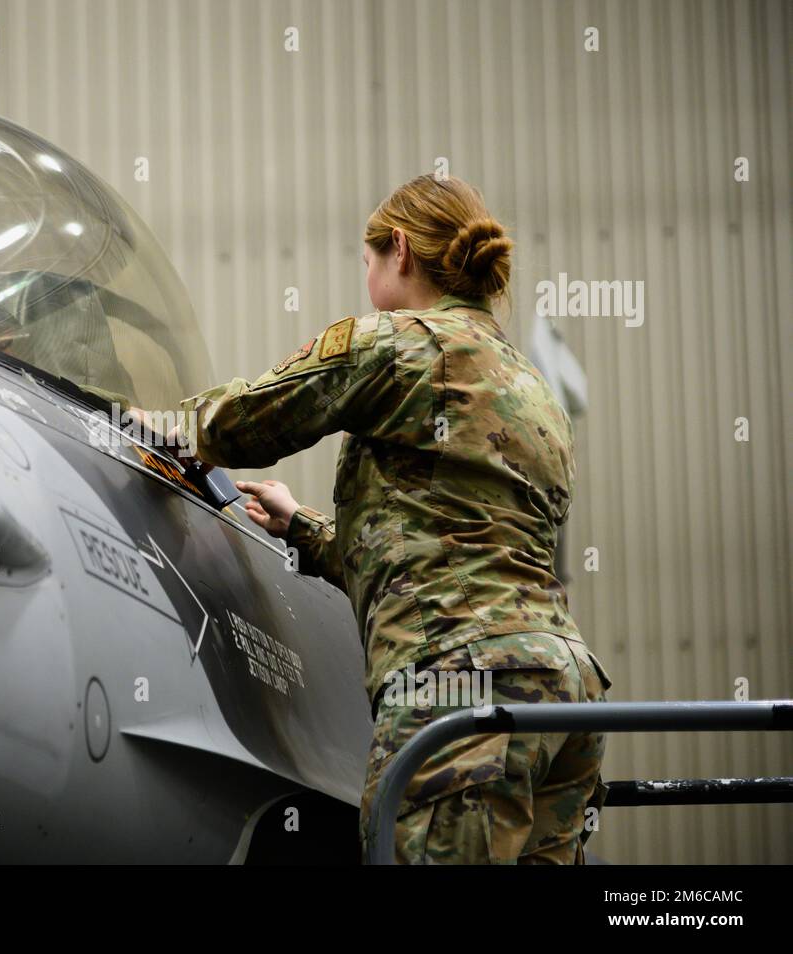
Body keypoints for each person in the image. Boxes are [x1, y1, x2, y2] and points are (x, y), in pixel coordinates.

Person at [171, 174, 613, 864]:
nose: (368, 275)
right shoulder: (532, 391)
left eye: (369, 259)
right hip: (567, 693)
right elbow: (457, 555)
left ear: (399, 251)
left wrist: (163, 425)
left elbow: (251, 419)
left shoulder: (401, 345)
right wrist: (305, 530)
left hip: (462, 689)